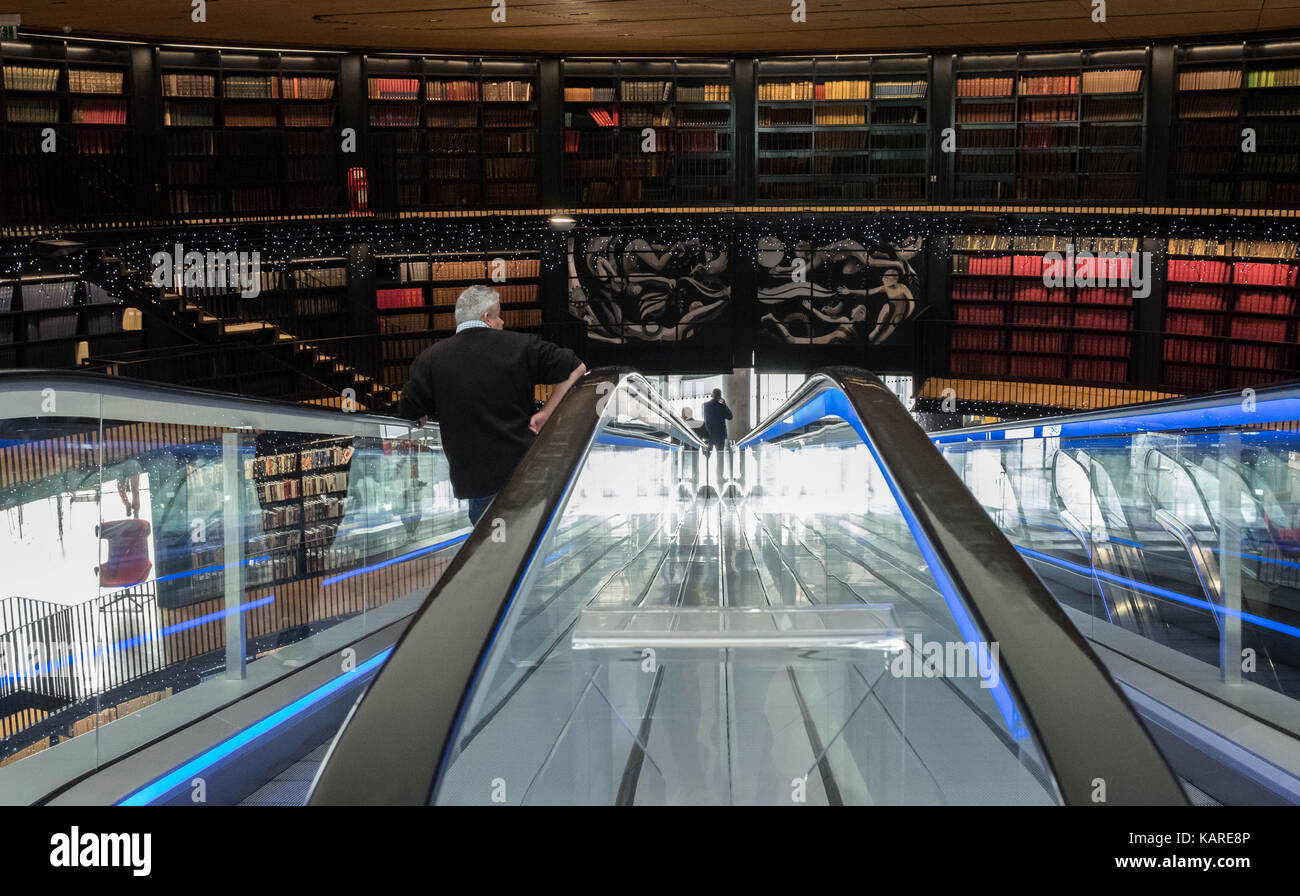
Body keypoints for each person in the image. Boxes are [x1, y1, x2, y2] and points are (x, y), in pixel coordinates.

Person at [400, 285, 587, 526]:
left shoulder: (431, 359)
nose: (502, 322)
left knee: (491, 554)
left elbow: (408, 408)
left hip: (476, 483)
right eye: (498, 315)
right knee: (528, 549)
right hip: (525, 472)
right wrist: (545, 414)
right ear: (486, 317)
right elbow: (577, 368)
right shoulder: (521, 346)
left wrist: (422, 413)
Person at [701, 388, 733, 453]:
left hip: (708, 433)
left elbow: (703, 416)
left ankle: (707, 463)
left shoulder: (705, 405)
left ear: (712, 395)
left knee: (708, 453)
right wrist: (724, 404)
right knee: (720, 454)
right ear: (720, 396)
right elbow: (730, 417)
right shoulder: (722, 406)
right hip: (720, 435)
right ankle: (720, 463)